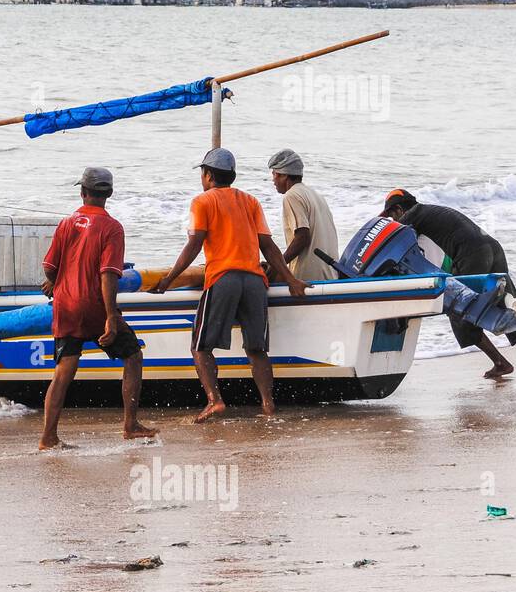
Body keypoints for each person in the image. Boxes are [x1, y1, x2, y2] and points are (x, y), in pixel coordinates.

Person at [150, 149, 308, 422]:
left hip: (223, 278)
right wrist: (291, 279)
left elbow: (194, 244)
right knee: (257, 348)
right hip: (255, 280)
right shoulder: (250, 201)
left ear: (208, 175)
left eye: (202, 173)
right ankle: (268, 405)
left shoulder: (202, 201)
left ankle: (215, 400)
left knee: (200, 346)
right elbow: (268, 246)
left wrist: (170, 278)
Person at [40, 167, 156, 449]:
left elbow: (49, 267)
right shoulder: (112, 227)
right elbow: (107, 274)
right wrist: (111, 316)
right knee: (132, 356)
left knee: (64, 370)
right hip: (93, 306)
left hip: (65, 305)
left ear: (83, 193)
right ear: (110, 194)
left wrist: (57, 285)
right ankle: (130, 425)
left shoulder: (67, 223)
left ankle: (48, 437)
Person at [382, 189, 516, 378]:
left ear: (399, 209)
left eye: (391, 216)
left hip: (471, 253)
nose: (393, 222)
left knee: (459, 311)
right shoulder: (430, 212)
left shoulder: (412, 216)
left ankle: (501, 363)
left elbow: (393, 243)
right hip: (492, 246)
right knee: (511, 303)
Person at [266, 148, 338, 282]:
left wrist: (278, 266)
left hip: (308, 278)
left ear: (284, 175)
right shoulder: (316, 195)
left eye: (274, 174)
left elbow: (302, 237)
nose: (273, 180)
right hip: (330, 276)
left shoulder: (292, 195)